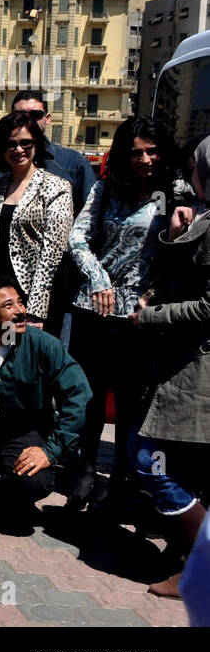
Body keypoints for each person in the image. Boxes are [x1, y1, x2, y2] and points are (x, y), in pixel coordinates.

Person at [67, 116, 184, 511]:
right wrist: (98, 279)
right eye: (136, 153)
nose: (145, 160)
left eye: (152, 151)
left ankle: (122, 475)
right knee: (91, 396)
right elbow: (77, 235)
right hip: (95, 307)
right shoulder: (107, 187)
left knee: (133, 400)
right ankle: (84, 469)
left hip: (142, 313)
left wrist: (155, 292)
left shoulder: (178, 193)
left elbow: (183, 252)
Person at [128, 136, 210, 599]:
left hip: (196, 367)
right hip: (184, 363)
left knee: (148, 460)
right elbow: (180, 271)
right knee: (190, 466)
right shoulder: (201, 216)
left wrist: (150, 315)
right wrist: (176, 234)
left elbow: (208, 306)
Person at [0, 278, 90, 528]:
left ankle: (1, 492)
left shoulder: (41, 344)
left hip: (21, 433)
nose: (20, 311)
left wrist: (50, 450)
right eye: (8, 306)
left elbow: (78, 395)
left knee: (34, 480)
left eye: (20, 302)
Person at [0, 110, 73, 327]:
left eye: (26, 143)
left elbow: (52, 254)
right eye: (11, 144)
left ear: (36, 144)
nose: (18, 150)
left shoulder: (56, 187)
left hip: (34, 294)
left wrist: (36, 310)